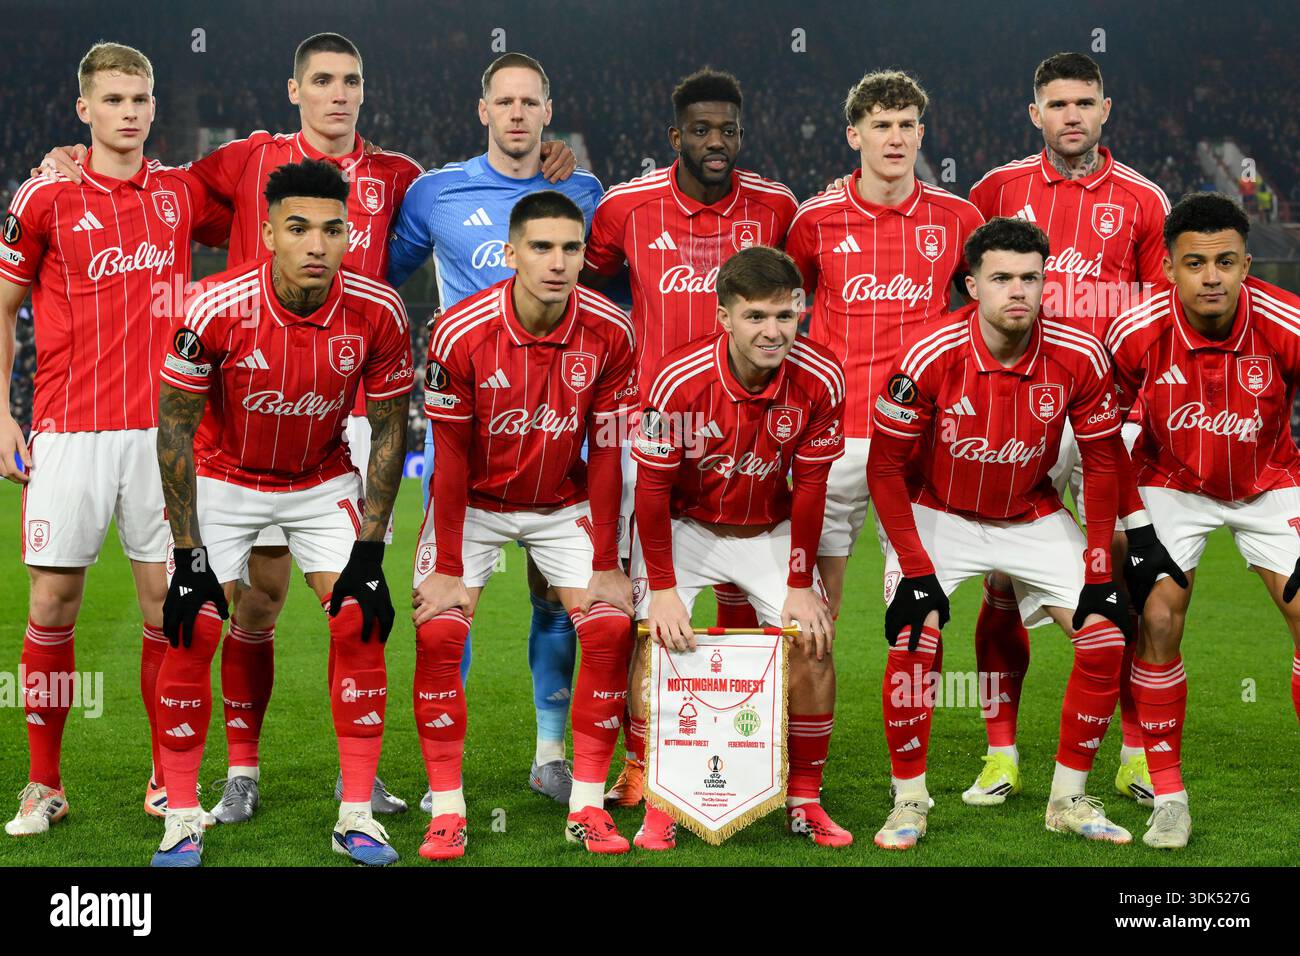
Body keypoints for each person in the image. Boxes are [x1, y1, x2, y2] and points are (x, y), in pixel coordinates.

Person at [38, 35, 579, 822]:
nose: (337, 94)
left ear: (365, 91)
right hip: (254, 402)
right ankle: (241, 771)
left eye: (351, 81)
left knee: (361, 600)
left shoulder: (402, 179)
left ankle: (357, 780)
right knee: (255, 603)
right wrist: (72, 156)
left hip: (356, 407)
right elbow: (150, 185)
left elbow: (488, 196)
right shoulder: (250, 161)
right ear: (294, 91)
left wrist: (553, 158)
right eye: (321, 81)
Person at [150, 159, 412, 866]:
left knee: (361, 614)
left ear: (350, 233)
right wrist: (186, 558)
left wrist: (370, 553)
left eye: (332, 229)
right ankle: (182, 815)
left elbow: (389, 431)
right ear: (268, 233)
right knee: (194, 625)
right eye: (298, 229)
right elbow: (173, 429)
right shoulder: (214, 307)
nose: (317, 245)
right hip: (224, 477)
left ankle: (355, 814)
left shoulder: (379, 312)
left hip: (318, 477)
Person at [0, 42, 230, 836]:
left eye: (141, 99)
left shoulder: (178, 193)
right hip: (69, 430)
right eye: (115, 100)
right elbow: (3, 305)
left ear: (154, 109)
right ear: (84, 110)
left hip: (164, 435)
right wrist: (1, 414)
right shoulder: (43, 197)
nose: (129, 112)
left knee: (167, 610)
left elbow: (265, 203)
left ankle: (168, 780)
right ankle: (44, 784)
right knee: (52, 602)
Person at [867, 217, 1137, 849]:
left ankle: (1067, 799)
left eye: (1030, 278)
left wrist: (1100, 571)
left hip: (1032, 515)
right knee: (914, 640)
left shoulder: (1080, 355)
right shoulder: (927, 356)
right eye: (1001, 279)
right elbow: (884, 468)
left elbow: (1100, 464)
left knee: (1103, 638)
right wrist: (913, 566)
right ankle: (909, 802)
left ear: (1045, 283)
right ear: (972, 285)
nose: (1017, 291)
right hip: (941, 515)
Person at [387, 52, 602, 809]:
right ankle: (450, 772)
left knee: (557, 599)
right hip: (467, 429)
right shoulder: (434, 193)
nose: (516, 114)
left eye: (529, 102)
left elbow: (603, 286)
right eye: (503, 102)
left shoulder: (580, 188)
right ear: (482, 110)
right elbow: (383, 273)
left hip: (557, 427)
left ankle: (551, 756)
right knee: (451, 601)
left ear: (549, 111)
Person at [580, 67, 799, 808]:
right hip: (661, 425)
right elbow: (594, 284)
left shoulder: (775, 205)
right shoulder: (625, 208)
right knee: (655, 614)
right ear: (675, 136)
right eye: (701, 130)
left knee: (747, 603)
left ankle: (741, 748)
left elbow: (791, 301)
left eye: (728, 130)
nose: (716, 142)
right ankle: (641, 762)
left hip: (754, 426)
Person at [965, 52, 1172, 808]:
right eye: (1057, 104)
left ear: (1106, 110)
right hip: (1014, 417)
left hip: (1110, 422)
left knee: (1125, 579)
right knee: (996, 580)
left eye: (1085, 102)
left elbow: (1161, 320)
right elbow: (963, 296)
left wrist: (1145, 413)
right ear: (1035, 114)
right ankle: (999, 754)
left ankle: (1137, 753)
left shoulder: (1146, 202)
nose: (1072, 116)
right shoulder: (995, 190)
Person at [410, 191, 636, 859]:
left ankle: (586, 806)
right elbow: (446, 460)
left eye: (570, 248)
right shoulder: (458, 332)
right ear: (511, 254)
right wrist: (448, 567)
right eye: (541, 247)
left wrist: (604, 560)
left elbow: (609, 450)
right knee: (440, 632)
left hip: (561, 502)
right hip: (473, 504)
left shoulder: (612, 332)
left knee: (611, 625)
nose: (558, 262)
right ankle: (447, 809)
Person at [630, 246, 850, 849]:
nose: (772, 331)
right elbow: (650, 493)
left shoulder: (823, 379)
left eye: (784, 315)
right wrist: (667, 591)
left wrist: (802, 585)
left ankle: (804, 798)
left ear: (801, 310)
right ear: (724, 317)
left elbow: (810, 489)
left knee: (815, 640)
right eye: (755, 316)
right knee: (653, 640)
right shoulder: (678, 379)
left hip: (770, 531)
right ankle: (656, 795)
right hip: (686, 527)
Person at [1106, 193, 1300, 848]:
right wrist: (1129, 523)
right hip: (1171, 483)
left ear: (1248, 264)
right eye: (1195, 263)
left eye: (1225, 262)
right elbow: (1104, 437)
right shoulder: (1133, 333)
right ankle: (1168, 795)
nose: (1211, 276)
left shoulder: (1289, 324)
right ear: (1168, 268)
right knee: (1156, 614)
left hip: (1271, 482)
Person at [785, 69, 983, 625]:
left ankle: (910, 700)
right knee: (815, 610)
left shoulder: (958, 218)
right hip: (833, 436)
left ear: (921, 134)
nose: (894, 138)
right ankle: (809, 715)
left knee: (918, 607)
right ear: (855, 136)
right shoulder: (815, 220)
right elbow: (781, 316)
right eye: (880, 126)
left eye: (906, 125)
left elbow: (984, 306)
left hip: (919, 436)